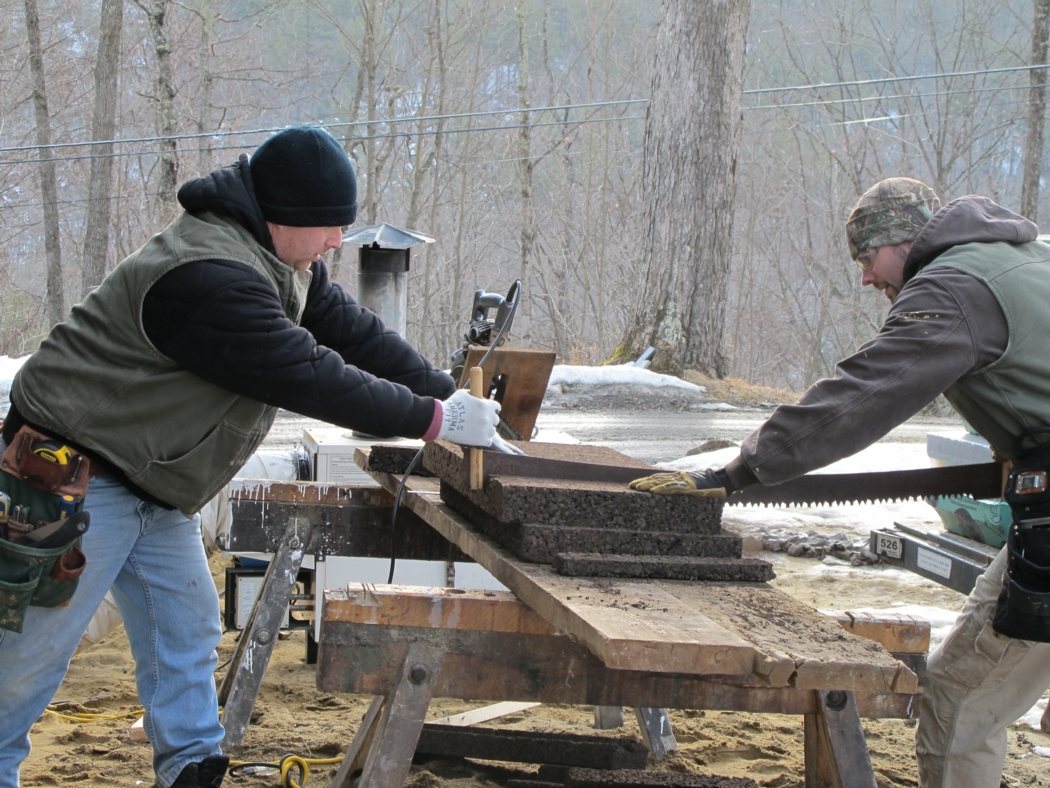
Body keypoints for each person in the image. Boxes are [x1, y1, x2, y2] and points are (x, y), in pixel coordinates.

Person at [0, 126, 512, 788]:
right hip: (72, 476)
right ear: (284, 216)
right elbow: (307, 373)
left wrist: (447, 394)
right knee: (27, 660)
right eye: (328, 226)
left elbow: (356, 335)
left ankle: (190, 770)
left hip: (150, 481)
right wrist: (435, 420)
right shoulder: (207, 277)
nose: (335, 241)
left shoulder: (280, 262)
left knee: (184, 629)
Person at [630, 177, 1050, 788]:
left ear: (901, 242)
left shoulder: (953, 289)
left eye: (865, 258)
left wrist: (739, 470)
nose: (865, 279)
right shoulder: (1023, 257)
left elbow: (859, 396)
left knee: (959, 700)